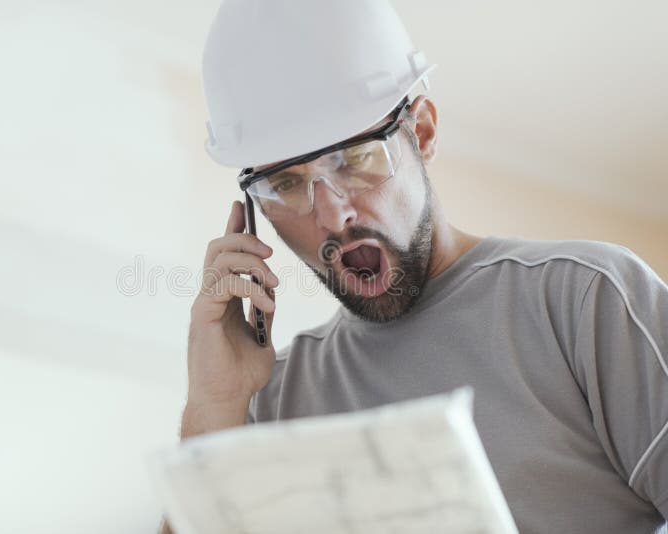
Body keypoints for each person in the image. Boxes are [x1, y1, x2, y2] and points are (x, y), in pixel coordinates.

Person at [160, 1, 668, 532]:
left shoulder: (585, 302)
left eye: (356, 158)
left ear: (421, 133)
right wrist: (213, 408)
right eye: (287, 184)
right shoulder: (270, 406)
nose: (334, 215)